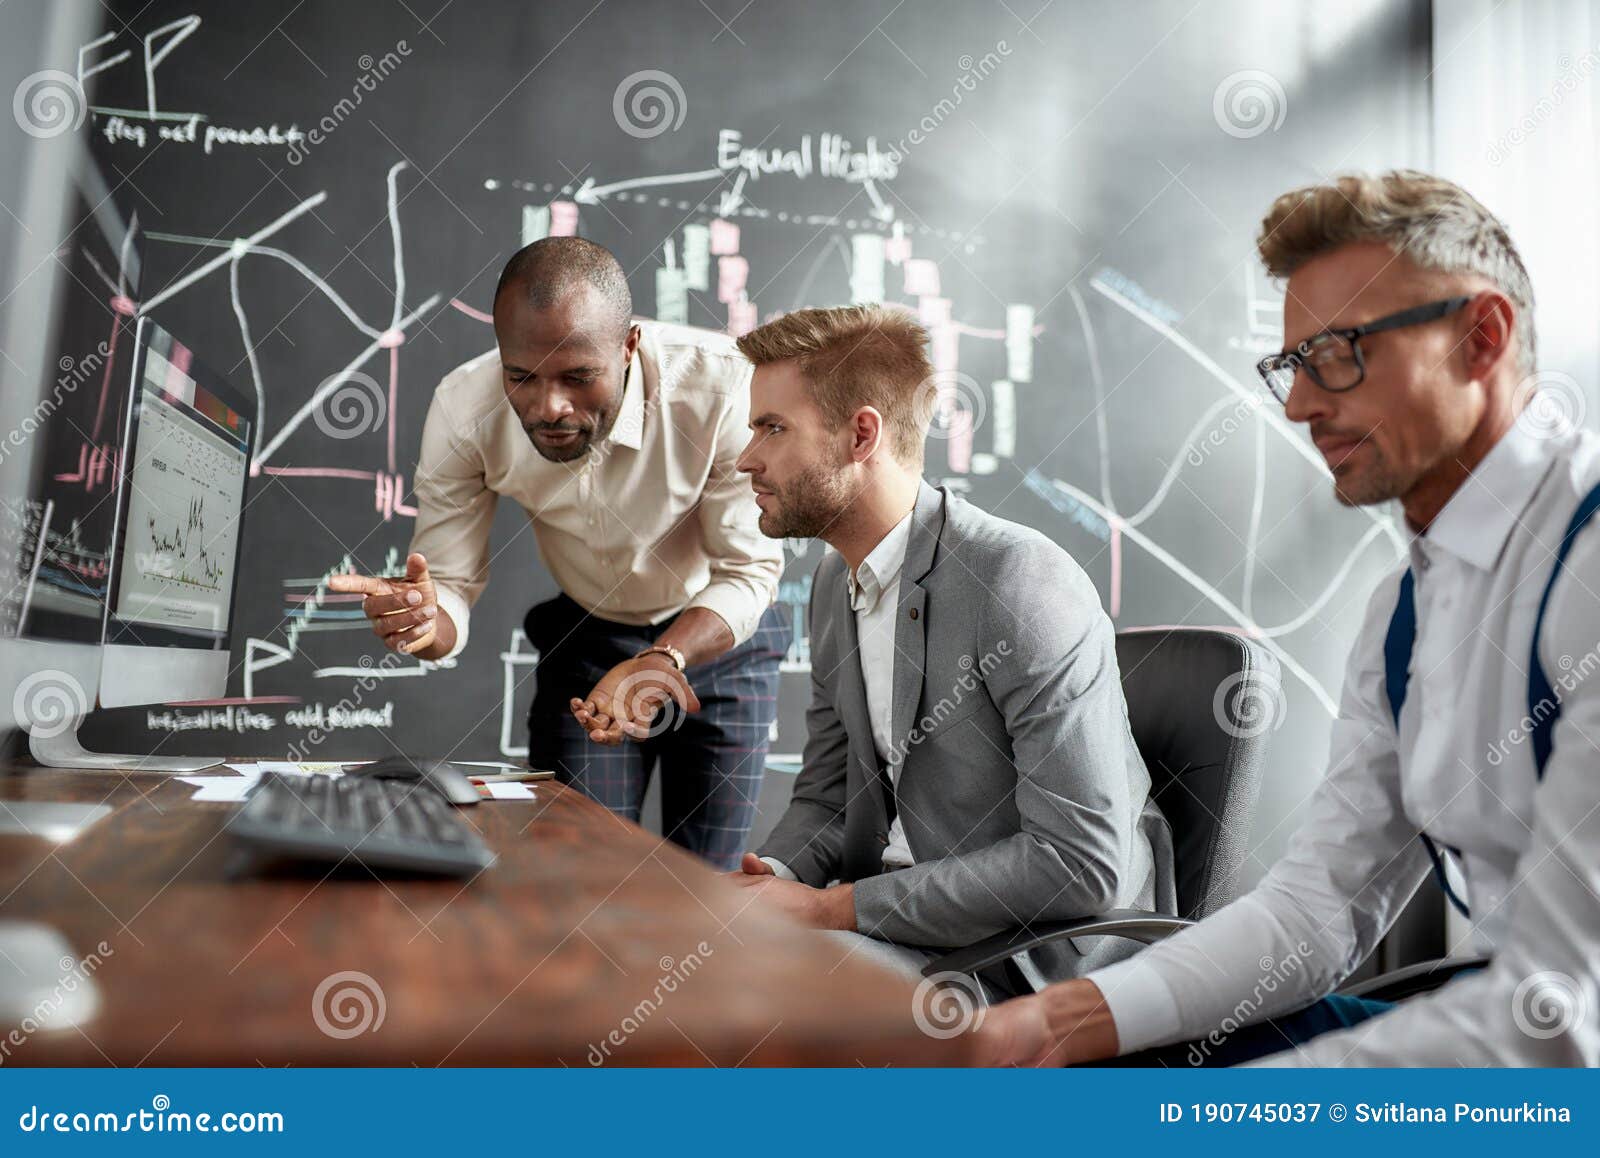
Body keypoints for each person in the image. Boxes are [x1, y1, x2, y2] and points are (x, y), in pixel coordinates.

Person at [977, 171, 1600, 1066]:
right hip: (1506, 1007)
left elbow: (1565, 1016)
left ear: (1481, 337)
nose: (1303, 405)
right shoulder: (1403, 613)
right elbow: (1318, 908)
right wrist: (1059, 1020)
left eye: (1339, 352)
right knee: (1103, 1056)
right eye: (1290, 366)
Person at [723, 304, 1174, 991]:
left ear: (861, 435)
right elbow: (830, 795)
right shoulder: (832, 584)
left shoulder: (1017, 579)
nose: (746, 458)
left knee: (767, 992)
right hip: (905, 929)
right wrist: (770, 881)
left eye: (772, 428)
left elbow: (1082, 863)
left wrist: (826, 909)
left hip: (1035, 959)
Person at [330, 237, 787, 869]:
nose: (549, 407)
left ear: (629, 346)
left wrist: (663, 657)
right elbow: (448, 587)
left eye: (578, 377)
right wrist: (424, 621)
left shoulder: (720, 388)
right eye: (521, 376)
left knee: (708, 888)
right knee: (579, 878)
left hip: (719, 641)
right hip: (587, 643)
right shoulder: (464, 408)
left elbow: (747, 570)